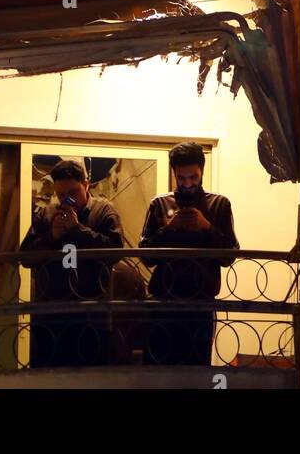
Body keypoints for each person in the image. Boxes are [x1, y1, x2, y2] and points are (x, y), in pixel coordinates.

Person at [139, 141, 239, 366]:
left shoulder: (219, 205)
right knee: (157, 370)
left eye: (193, 178)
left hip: (200, 303)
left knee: (195, 370)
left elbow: (229, 255)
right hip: (162, 302)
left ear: (202, 171)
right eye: (181, 178)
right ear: (174, 173)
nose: (187, 184)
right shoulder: (160, 203)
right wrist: (169, 229)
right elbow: (145, 256)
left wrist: (207, 227)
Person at [19, 157, 124, 368]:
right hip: (51, 315)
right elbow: (25, 257)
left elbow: (114, 251)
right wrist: (52, 237)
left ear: (86, 185)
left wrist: (77, 230)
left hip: (92, 316)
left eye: (72, 193)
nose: (66, 200)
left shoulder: (104, 211)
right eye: (61, 195)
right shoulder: (47, 213)